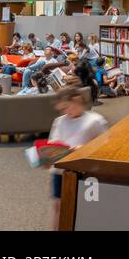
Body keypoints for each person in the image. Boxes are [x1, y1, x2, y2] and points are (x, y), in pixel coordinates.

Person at [48, 86, 109, 228]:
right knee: (59, 206)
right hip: (61, 171)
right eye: (62, 109)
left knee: (88, 206)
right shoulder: (60, 121)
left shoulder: (95, 121)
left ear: (76, 101)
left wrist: (83, 149)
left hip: (88, 173)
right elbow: (52, 143)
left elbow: (106, 147)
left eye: (66, 107)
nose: (65, 112)